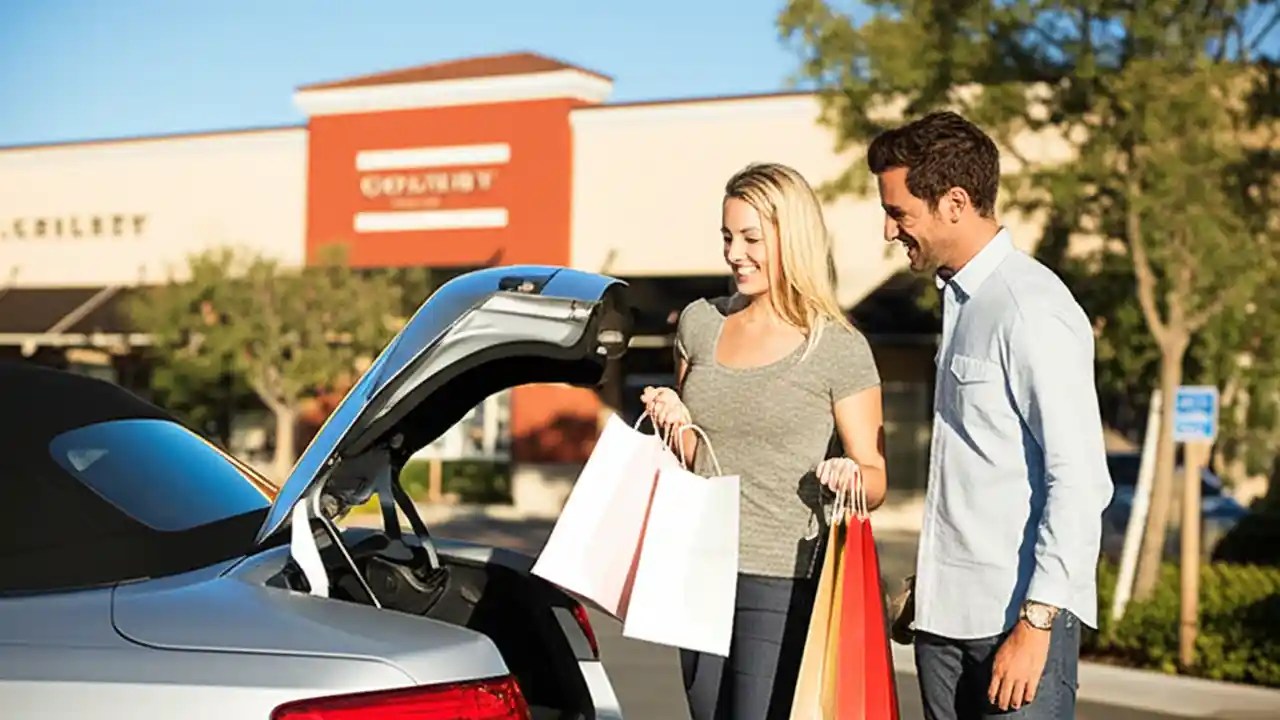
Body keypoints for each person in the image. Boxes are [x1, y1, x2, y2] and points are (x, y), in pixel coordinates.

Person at [866, 111, 1113, 719]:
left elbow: (1080, 481)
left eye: (900, 212)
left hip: (1016, 631)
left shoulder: (1029, 308)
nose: (891, 231)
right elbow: (974, 470)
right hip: (943, 628)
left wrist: (1036, 626)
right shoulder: (959, 302)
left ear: (954, 202)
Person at [640, 162, 888, 720]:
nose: (735, 253)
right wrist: (672, 416)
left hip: (782, 577)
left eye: (752, 238)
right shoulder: (700, 323)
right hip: (697, 568)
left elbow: (875, 477)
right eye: (728, 237)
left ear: (791, 238)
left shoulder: (837, 346)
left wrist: (852, 474)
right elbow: (695, 456)